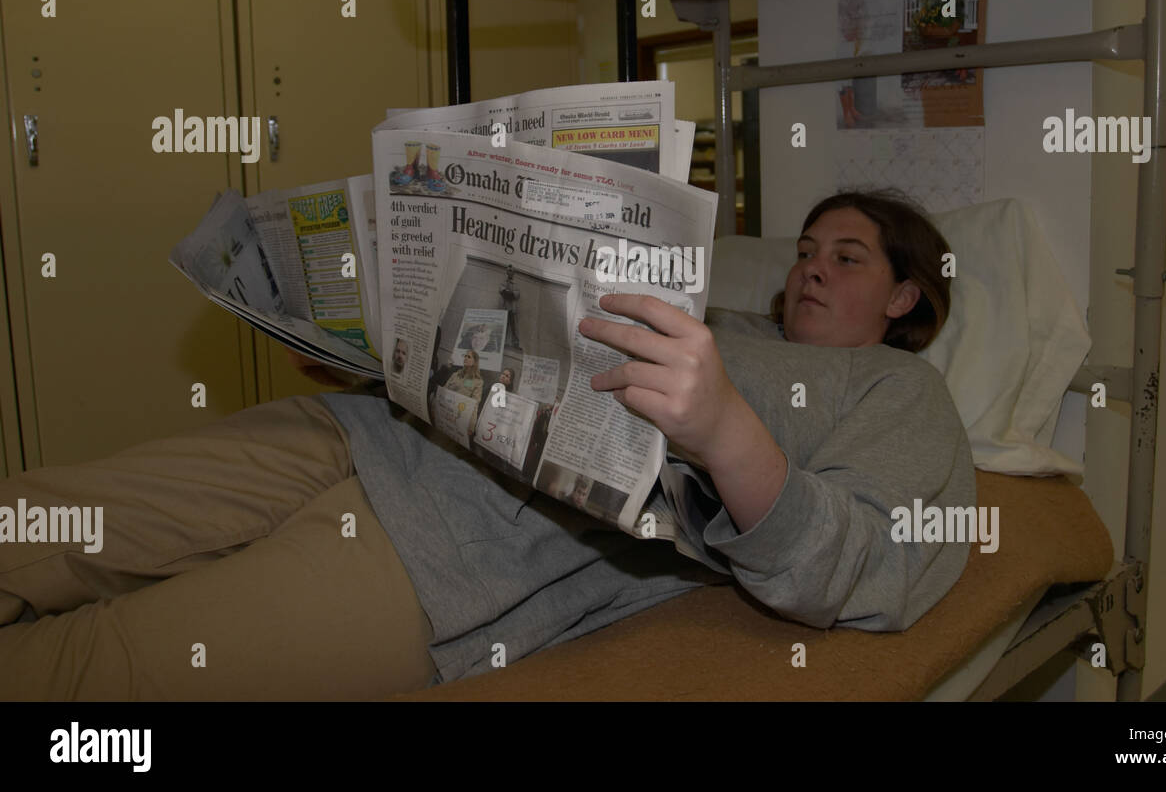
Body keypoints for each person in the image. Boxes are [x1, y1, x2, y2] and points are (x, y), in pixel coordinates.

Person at [0, 188, 975, 700]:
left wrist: (723, 429)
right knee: (34, 520)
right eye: (804, 249)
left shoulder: (900, 389)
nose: (810, 268)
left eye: (845, 257)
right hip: (368, 428)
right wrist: (372, 351)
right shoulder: (706, 313)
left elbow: (871, 564)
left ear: (904, 295)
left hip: (438, 553)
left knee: (92, 673)